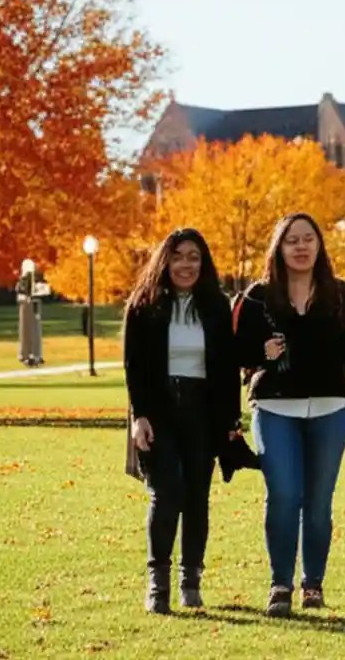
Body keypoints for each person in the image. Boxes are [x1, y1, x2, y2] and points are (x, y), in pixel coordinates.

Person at [233, 213, 345, 618]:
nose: (301, 247)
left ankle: (312, 584)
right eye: (291, 240)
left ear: (319, 245)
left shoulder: (339, 294)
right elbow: (234, 354)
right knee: (283, 495)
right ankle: (280, 583)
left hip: (330, 409)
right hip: (275, 407)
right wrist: (261, 355)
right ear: (278, 248)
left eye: (308, 239)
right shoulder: (257, 297)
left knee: (318, 501)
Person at [123, 229, 241, 613]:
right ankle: (158, 582)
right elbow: (133, 366)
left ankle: (191, 579)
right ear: (165, 260)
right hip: (158, 411)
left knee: (196, 497)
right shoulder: (145, 304)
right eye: (178, 256)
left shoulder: (215, 306)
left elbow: (226, 367)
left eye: (194, 256)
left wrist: (230, 420)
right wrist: (138, 415)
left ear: (203, 262)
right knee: (166, 492)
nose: (186, 264)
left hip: (201, 411)